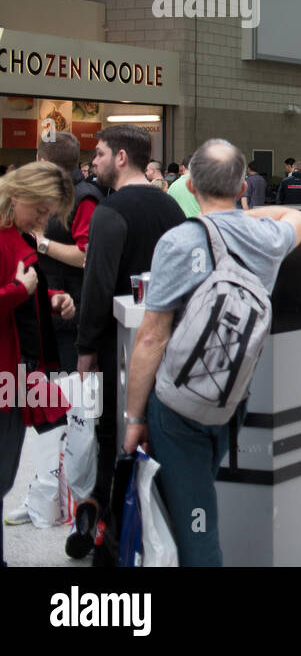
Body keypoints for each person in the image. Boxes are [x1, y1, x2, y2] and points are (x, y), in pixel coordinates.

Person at [122, 139, 301, 566]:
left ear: (188, 181)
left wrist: (134, 418)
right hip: (230, 400)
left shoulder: (178, 241)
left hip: (175, 408)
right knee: (197, 495)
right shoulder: (269, 238)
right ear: (244, 186)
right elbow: (296, 217)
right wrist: (246, 216)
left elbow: (152, 338)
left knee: (195, 524)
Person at [73, 125, 186, 562]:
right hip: (168, 349)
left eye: (99, 154)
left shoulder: (109, 212)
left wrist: (85, 349)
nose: (94, 161)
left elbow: (96, 288)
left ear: (122, 157)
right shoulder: (173, 208)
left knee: (112, 439)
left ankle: (110, 537)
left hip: (117, 351)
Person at [0, 162, 78, 566]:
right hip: (7, 372)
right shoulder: (5, 237)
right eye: (42, 210)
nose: (44, 219)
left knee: (5, 473)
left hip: (16, 371)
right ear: (20, 193)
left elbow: (20, 301)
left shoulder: (16, 235)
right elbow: (12, 293)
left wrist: (46, 300)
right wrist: (18, 291)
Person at [34, 131, 103, 371]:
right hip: (49, 309)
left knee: (66, 394)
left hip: (69, 315)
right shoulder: (51, 194)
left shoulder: (83, 198)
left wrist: (41, 243)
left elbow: (86, 256)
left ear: (42, 162)